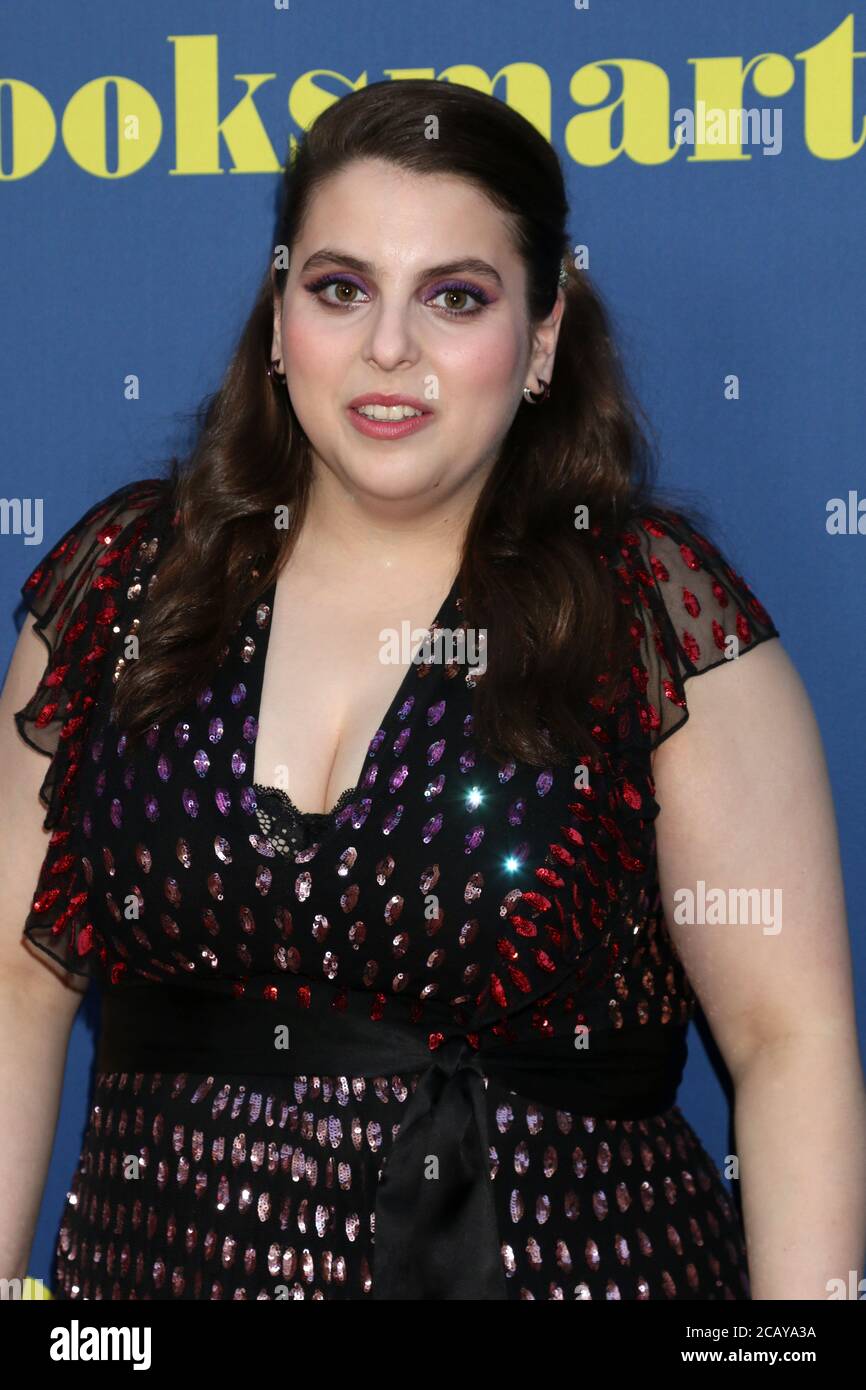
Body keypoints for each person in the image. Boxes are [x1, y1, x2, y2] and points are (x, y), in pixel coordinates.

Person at [1, 78, 863, 1302]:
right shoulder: (131, 581)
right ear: (278, 314)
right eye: (340, 288)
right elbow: (15, 981)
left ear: (544, 336)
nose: (387, 347)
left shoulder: (646, 610)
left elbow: (788, 1046)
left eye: (453, 296)